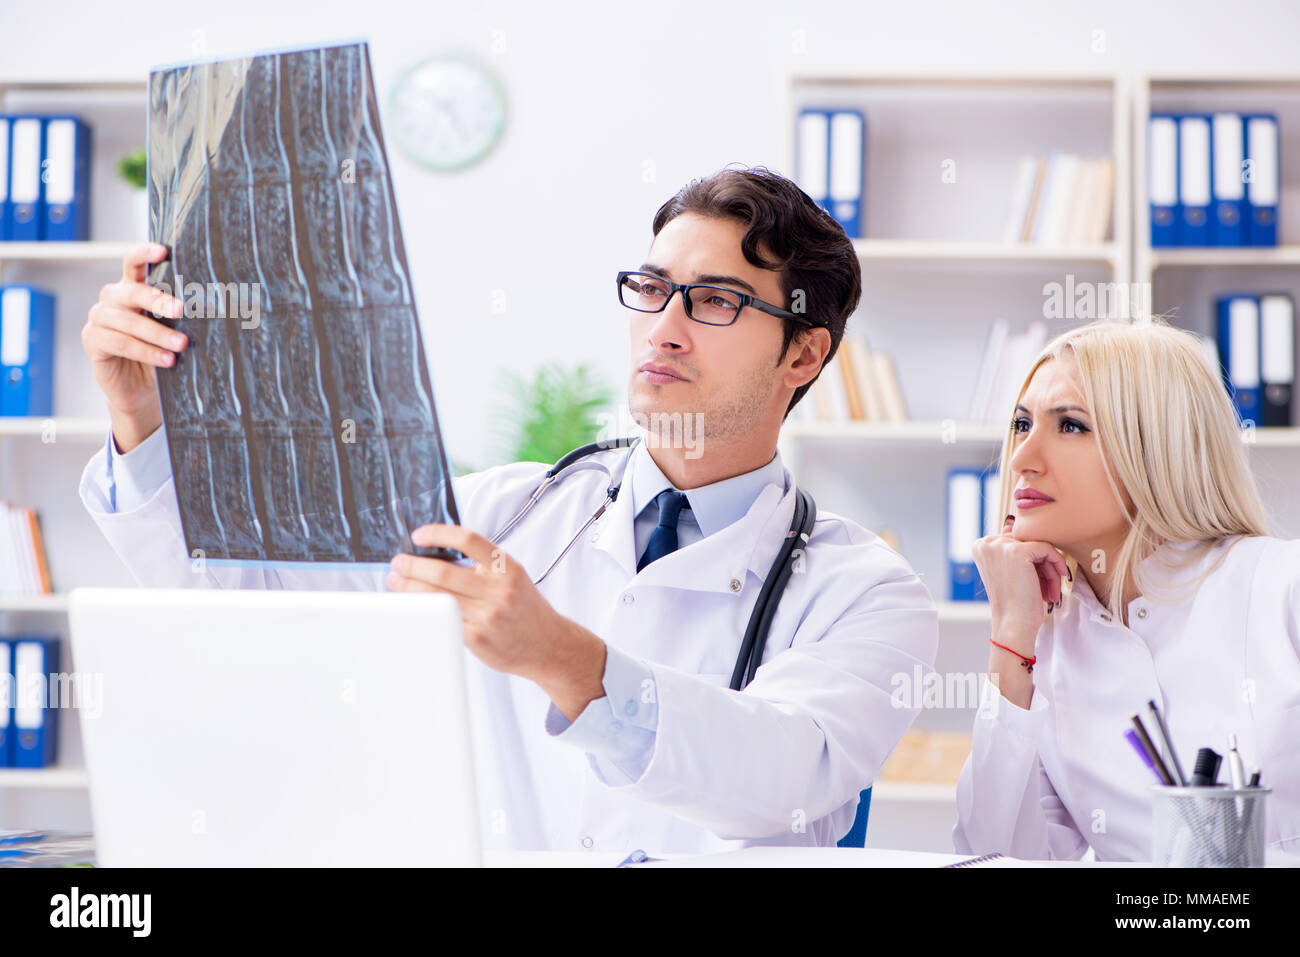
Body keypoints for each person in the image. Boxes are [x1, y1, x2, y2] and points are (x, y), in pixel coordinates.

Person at [79, 166, 939, 853]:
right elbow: (267, 607)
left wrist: (569, 661)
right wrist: (142, 419)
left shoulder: (866, 589)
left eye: (714, 301)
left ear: (804, 352)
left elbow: (786, 775)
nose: (664, 328)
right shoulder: (503, 509)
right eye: (651, 288)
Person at [954, 318, 1300, 863]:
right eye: (1022, 423)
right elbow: (997, 857)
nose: (1021, 458)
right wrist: (1010, 635)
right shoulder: (1045, 645)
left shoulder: (1281, 587)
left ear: (1159, 447)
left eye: (1070, 426)